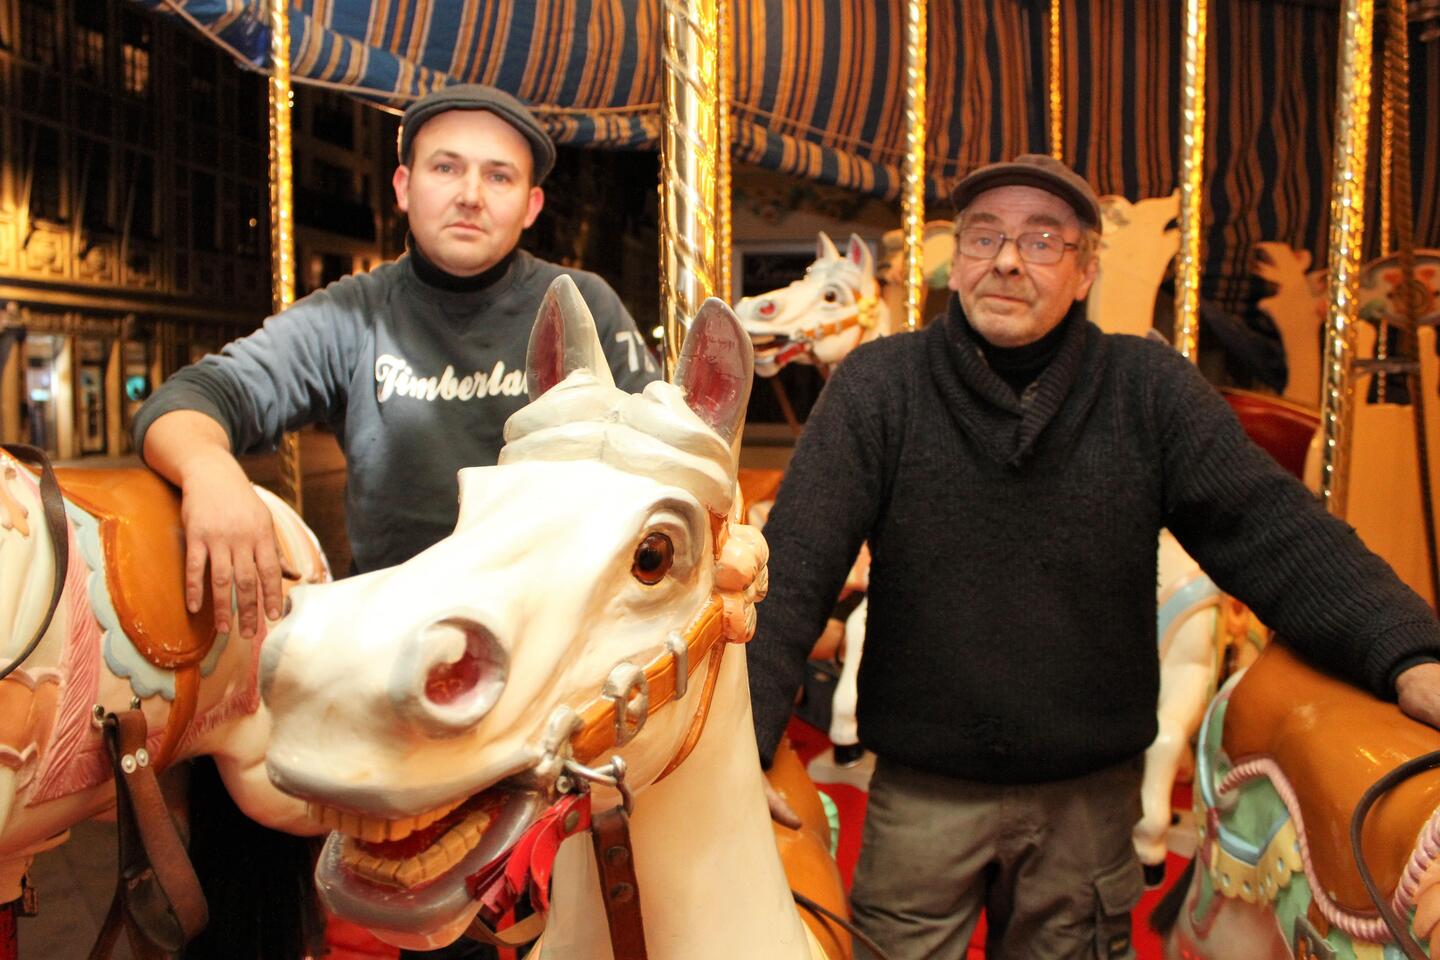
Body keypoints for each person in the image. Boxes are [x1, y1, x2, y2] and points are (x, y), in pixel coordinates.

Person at [745, 153, 1440, 960]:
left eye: (1042, 241)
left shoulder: (1147, 391)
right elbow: (794, 564)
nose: (1006, 258)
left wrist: (1405, 652)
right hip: (921, 798)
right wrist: (748, 740)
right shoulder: (880, 386)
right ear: (958, 260)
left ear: (1084, 272)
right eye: (983, 236)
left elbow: (1274, 530)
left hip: (1088, 803)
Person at [134, 84, 658, 960]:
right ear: (404, 185)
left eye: (499, 176)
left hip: (549, 664)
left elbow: (654, 468)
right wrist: (210, 468)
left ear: (530, 205)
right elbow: (192, 399)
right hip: (409, 671)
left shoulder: (582, 306)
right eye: (447, 169)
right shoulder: (354, 314)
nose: (469, 193)